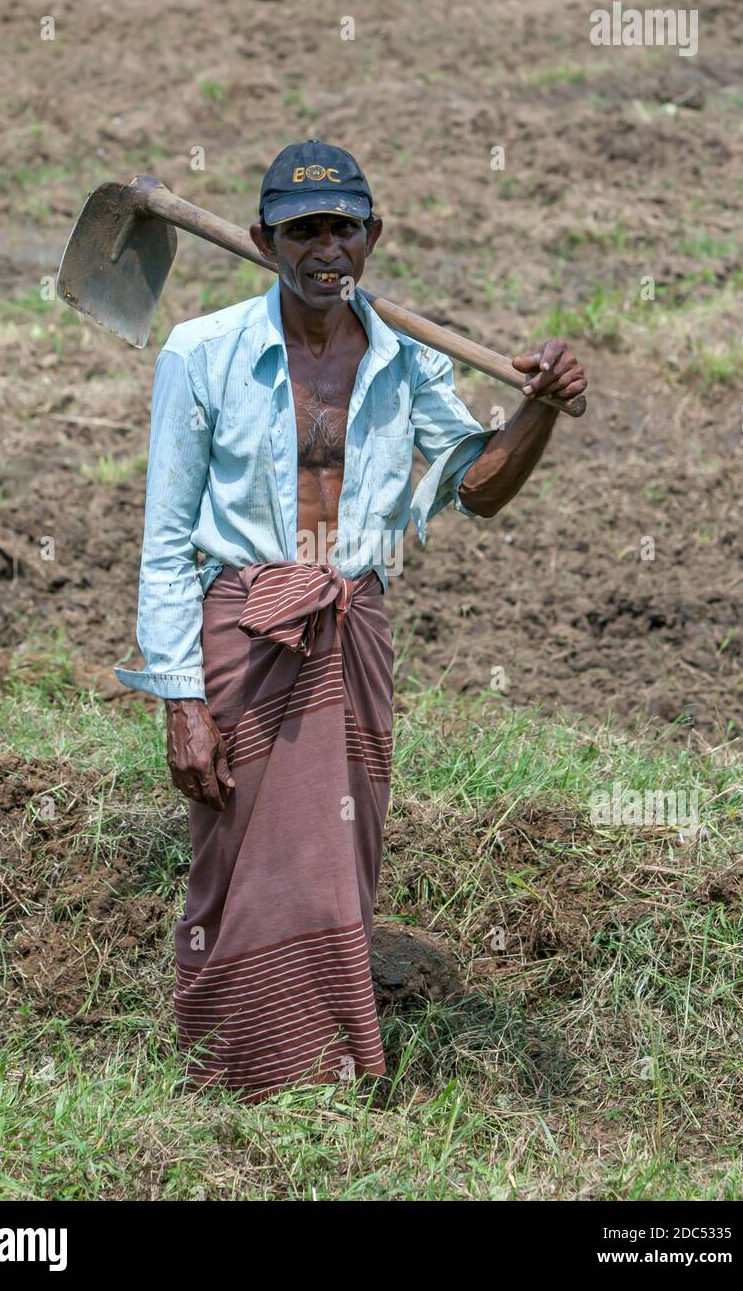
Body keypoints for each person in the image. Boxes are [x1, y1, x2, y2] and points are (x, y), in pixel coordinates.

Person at [115, 139, 587, 1101]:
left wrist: (534, 409)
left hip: (352, 621)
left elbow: (479, 487)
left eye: (342, 227)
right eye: (302, 231)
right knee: (236, 852)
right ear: (263, 240)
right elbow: (167, 543)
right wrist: (179, 698)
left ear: (373, 237)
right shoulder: (201, 353)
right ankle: (232, 1070)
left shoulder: (407, 360)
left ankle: (325, 1072)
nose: (324, 249)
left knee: (337, 855)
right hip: (244, 625)